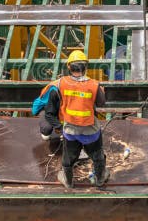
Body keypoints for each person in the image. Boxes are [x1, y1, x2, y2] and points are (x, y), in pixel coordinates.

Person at [43, 50, 108, 189]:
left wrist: (58, 127)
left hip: (70, 130)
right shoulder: (94, 85)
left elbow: (50, 109)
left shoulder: (60, 84)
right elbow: (101, 103)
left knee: (68, 157)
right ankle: (100, 178)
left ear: (69, 67)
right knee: (97, 155)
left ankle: (68, 180)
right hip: (90, 130)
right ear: (86, 67)